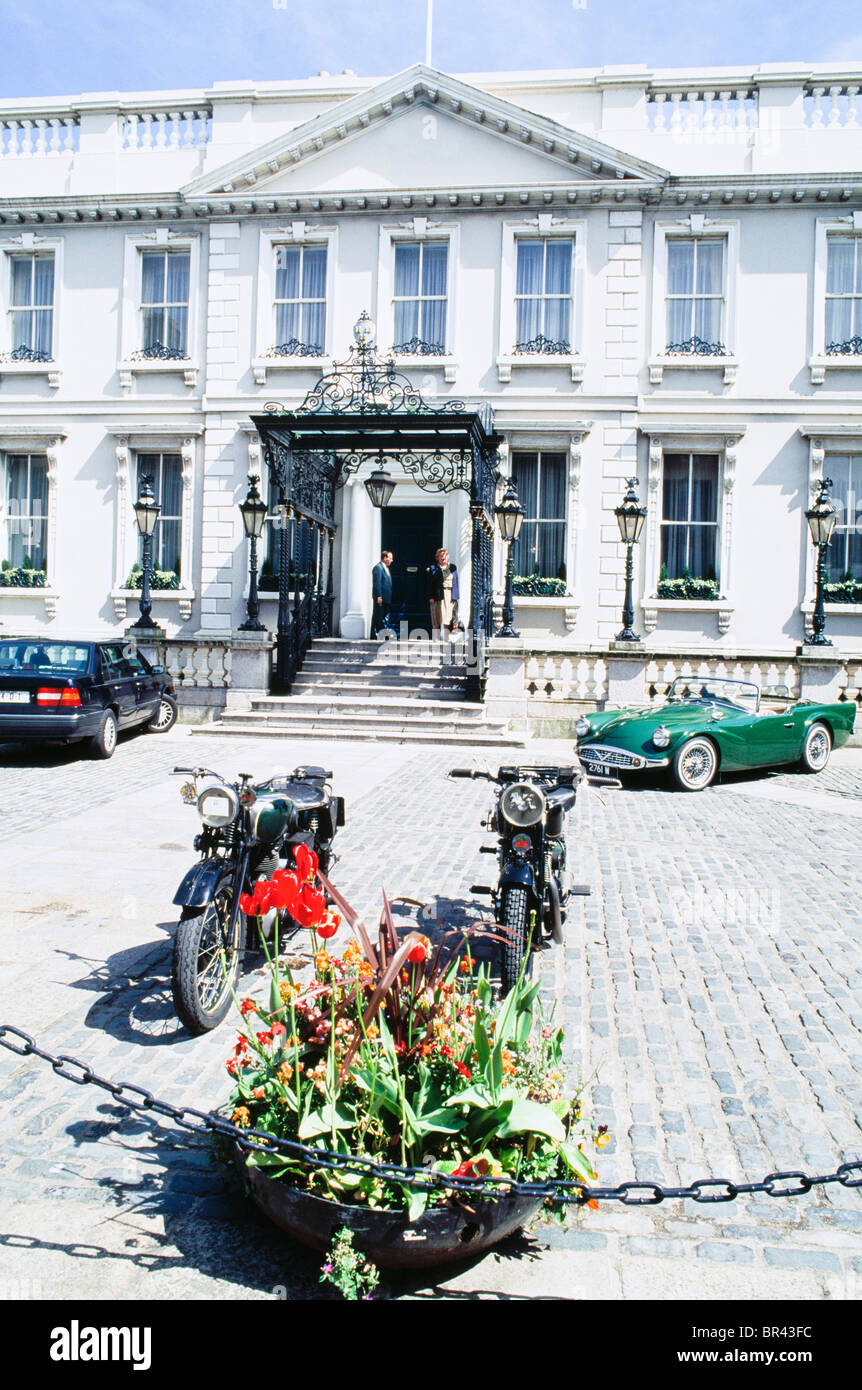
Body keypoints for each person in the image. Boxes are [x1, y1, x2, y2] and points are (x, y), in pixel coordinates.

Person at [426, 547, 459, 637]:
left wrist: (455, 596)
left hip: (449, 595)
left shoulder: (453, 567)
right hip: (437, 595)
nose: (443, 558)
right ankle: (435, 640)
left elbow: (455, 582)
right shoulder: (433, 568)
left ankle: (446, 639)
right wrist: (430, 596)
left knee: (447, 619)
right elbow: (429, 583)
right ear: (437, 558)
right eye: (441, 556)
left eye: (445, 555)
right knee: (436, 619)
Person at [370, 550, 394, 638]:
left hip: (386, 597)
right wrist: (379, 596)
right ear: (385, 558)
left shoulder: (385, 568)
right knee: (378, 616)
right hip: (381, 597)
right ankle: (375, 636)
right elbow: (377, 583)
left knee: (384, 617)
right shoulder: (378, 568)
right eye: (390, 558)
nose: (392, 560)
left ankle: (382, 635)